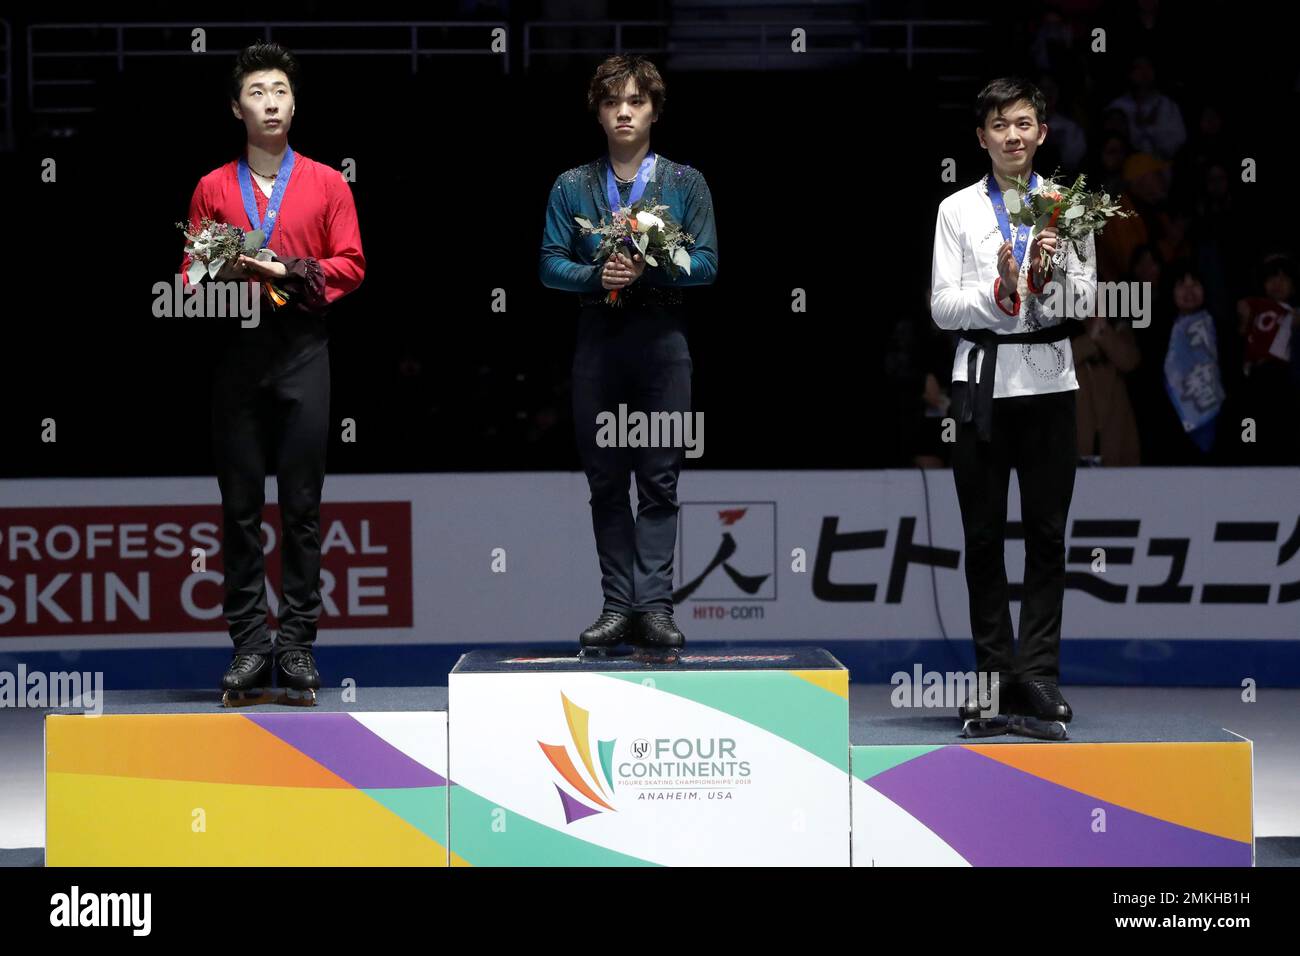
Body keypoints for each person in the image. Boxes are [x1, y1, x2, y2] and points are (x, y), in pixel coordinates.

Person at [180, 41, 365, 704]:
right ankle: (250, 649)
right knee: (238, 511)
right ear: (238, 107)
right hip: (236, 360)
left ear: (294, 103)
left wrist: (283, 269)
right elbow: (187, 279)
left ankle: (297, 647)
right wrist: (219, 274)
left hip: (303, 354)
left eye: (280, 91)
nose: (270, 102)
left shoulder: (327, 182)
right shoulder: (210, 187)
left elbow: (351, 266)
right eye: (257, 92)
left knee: (303, 510)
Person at [929, 77, 1096, 725]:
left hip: (1053, 384)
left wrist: (1050, 280)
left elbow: (1086, 303)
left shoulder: (1068, 206)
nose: (1012, 135)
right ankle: (994, 675)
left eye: (1023, 123)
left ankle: (1040, 674)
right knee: (983, 536)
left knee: (1049, 537)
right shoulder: (956, 210)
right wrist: (999, 290)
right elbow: (942, 306)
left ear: (1042, 133)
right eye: (1000, 125)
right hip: (981, 388)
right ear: (982, 137)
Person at [539, 55, 718, 657]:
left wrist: (652, 265)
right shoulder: (571, 185)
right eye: (612, 101)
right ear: (597, 111)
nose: (624, 111)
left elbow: (710, 265)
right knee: (607, 480)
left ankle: (656, 608)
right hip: (599, 346)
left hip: (665, 348)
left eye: (636, 101)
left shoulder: (686, 183)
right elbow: (547, 265)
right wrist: (599, 273)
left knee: (660, 480)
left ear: (654, 111)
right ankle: (618, 607)